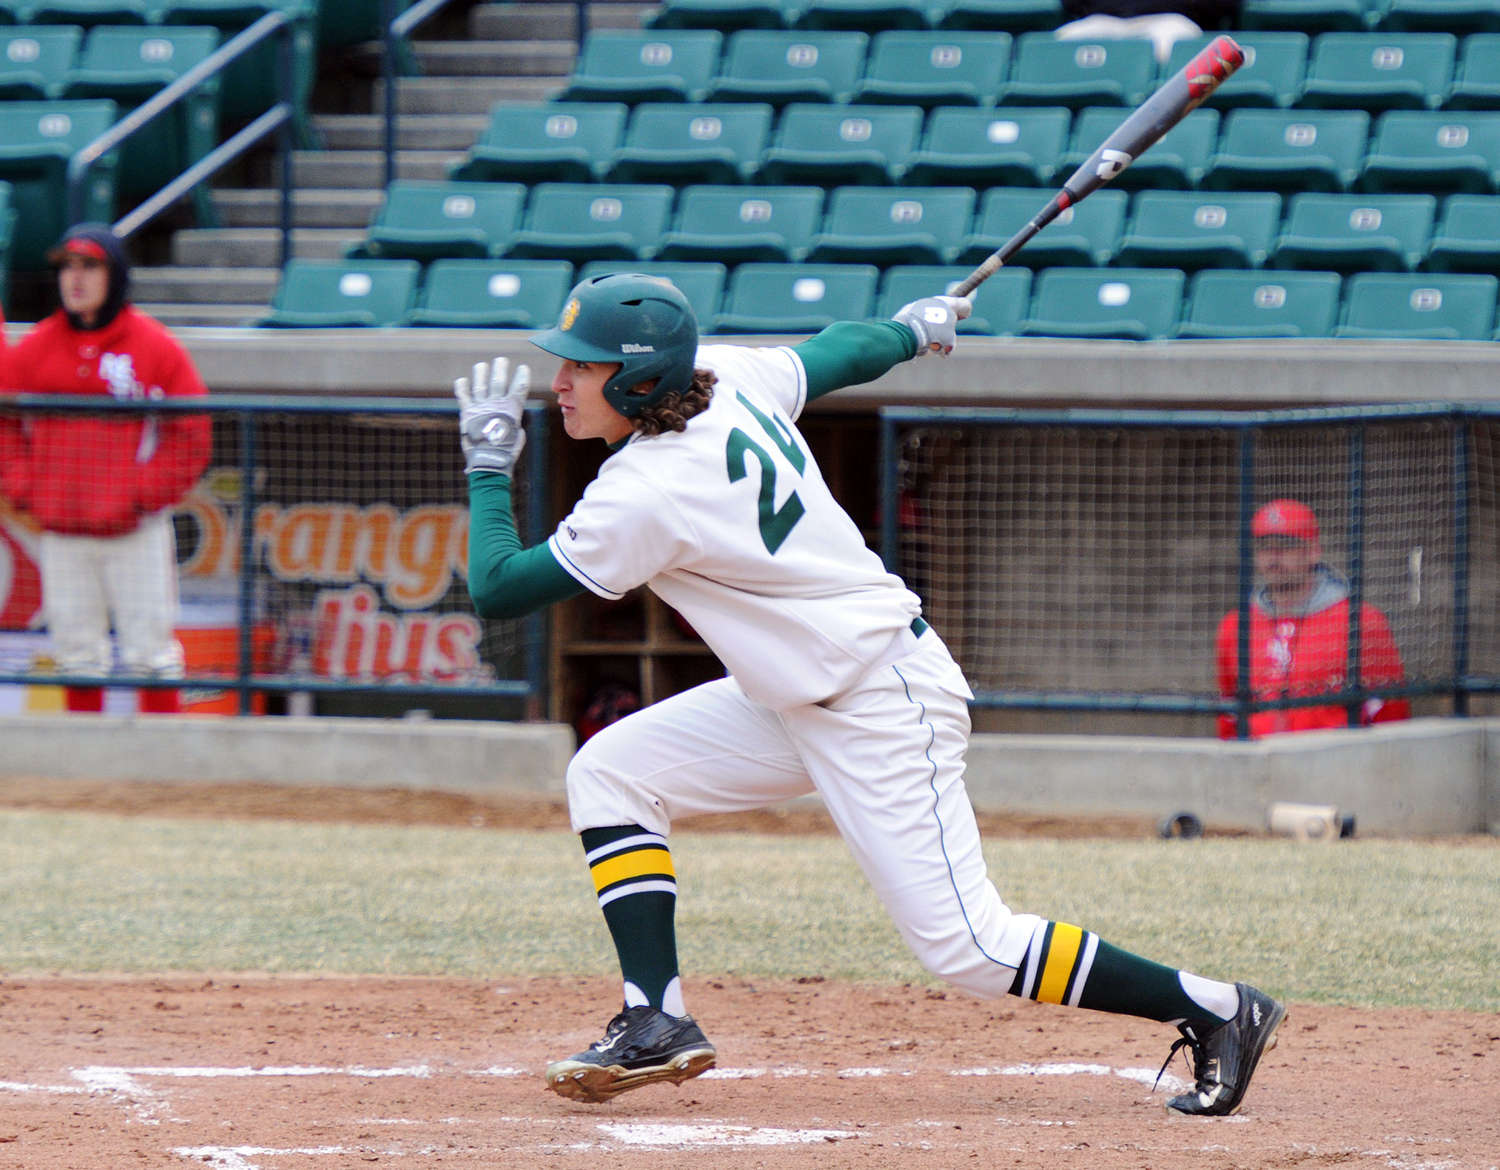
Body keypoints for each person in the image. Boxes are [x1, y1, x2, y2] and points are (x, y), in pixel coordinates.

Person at [459, 273, 1285, 1116]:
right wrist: (909, 331)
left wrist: (489, 468)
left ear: (639, 382)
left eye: (583, 367)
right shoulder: (723, 375)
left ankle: (1220, 1006)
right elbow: (833, 354)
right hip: (796, 695)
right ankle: (656, 1019)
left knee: (970, 948)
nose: (558, 381)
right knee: (612, 773)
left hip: (879, 696)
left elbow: (496, 589)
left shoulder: (647, 489)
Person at [0, 224, 211, 714]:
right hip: (63, 532)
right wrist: (26, 486)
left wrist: (142, 493)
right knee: (76, 654)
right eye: (67, 267)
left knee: (150, 655)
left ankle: (159, 775)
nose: (74, 278)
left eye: (89, 266)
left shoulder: (153, 345)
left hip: (133, 532)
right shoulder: (35, 347)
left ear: (114, 275)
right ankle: (85, 775)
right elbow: (4, 424)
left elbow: (192, 430)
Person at [1216, 499, 1410, 740]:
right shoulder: (1235, 626)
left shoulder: (1360, 621)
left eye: (1286, 545)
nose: (1274, 557)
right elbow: (1229, 715)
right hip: (1261, 769)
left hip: (1335, 767)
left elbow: (1390, 715)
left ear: (1313, 551)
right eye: (1265, 547)